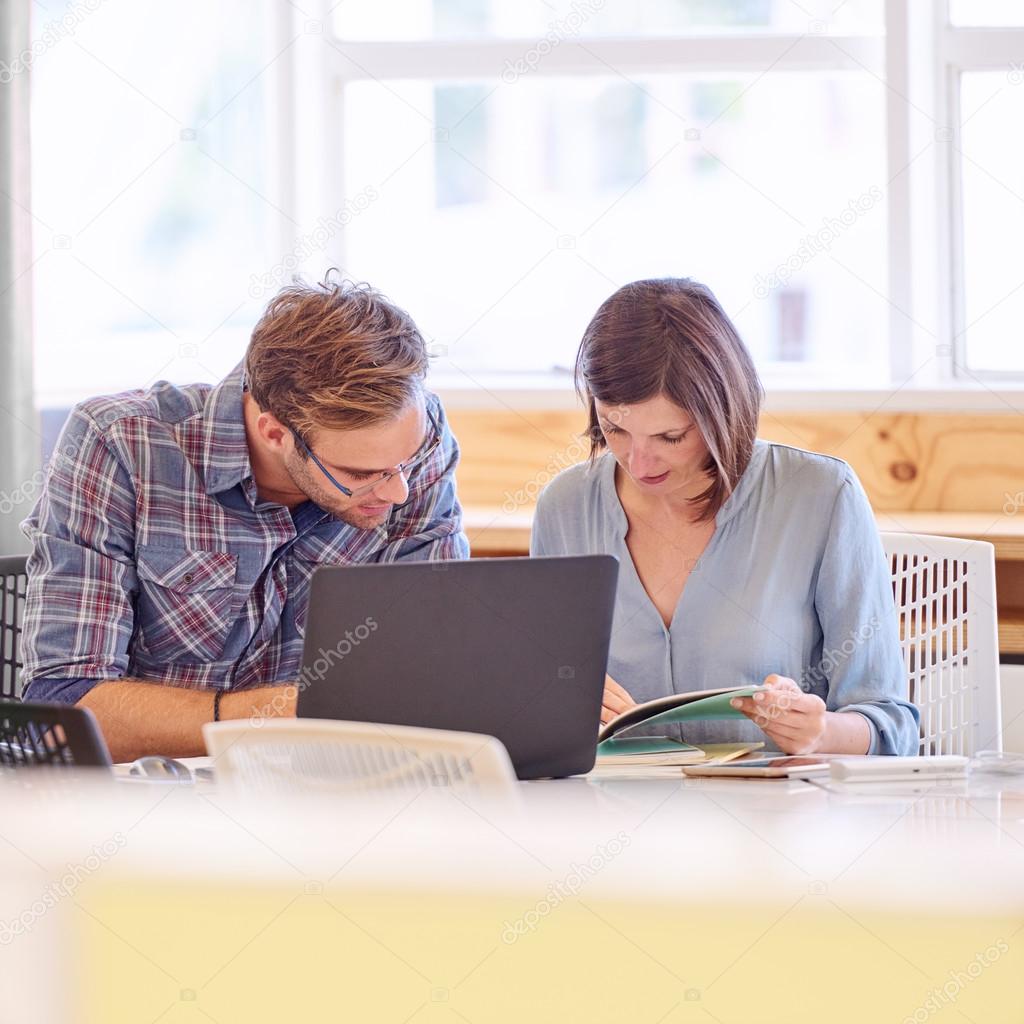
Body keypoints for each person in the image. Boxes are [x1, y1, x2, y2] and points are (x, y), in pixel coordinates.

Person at [21, 276, 468, 761]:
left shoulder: (407, 443)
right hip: (158, 797)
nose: (398, 491)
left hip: (349, 787)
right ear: (274, 432)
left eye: (405, 463)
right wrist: (275, 719)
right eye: (359, 473)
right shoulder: (121, 445)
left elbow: (438, 672)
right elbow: (64, 709)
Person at [530, 278, 919, 756]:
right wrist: (559, 705)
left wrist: (819, 734)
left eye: (670, 437)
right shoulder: (564, 508)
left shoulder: (820, 496)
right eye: (614, 429)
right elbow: (538, 704)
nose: (638, 462)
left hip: (776, 819)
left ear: (723, 411)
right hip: (612, 814)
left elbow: (892, 727)